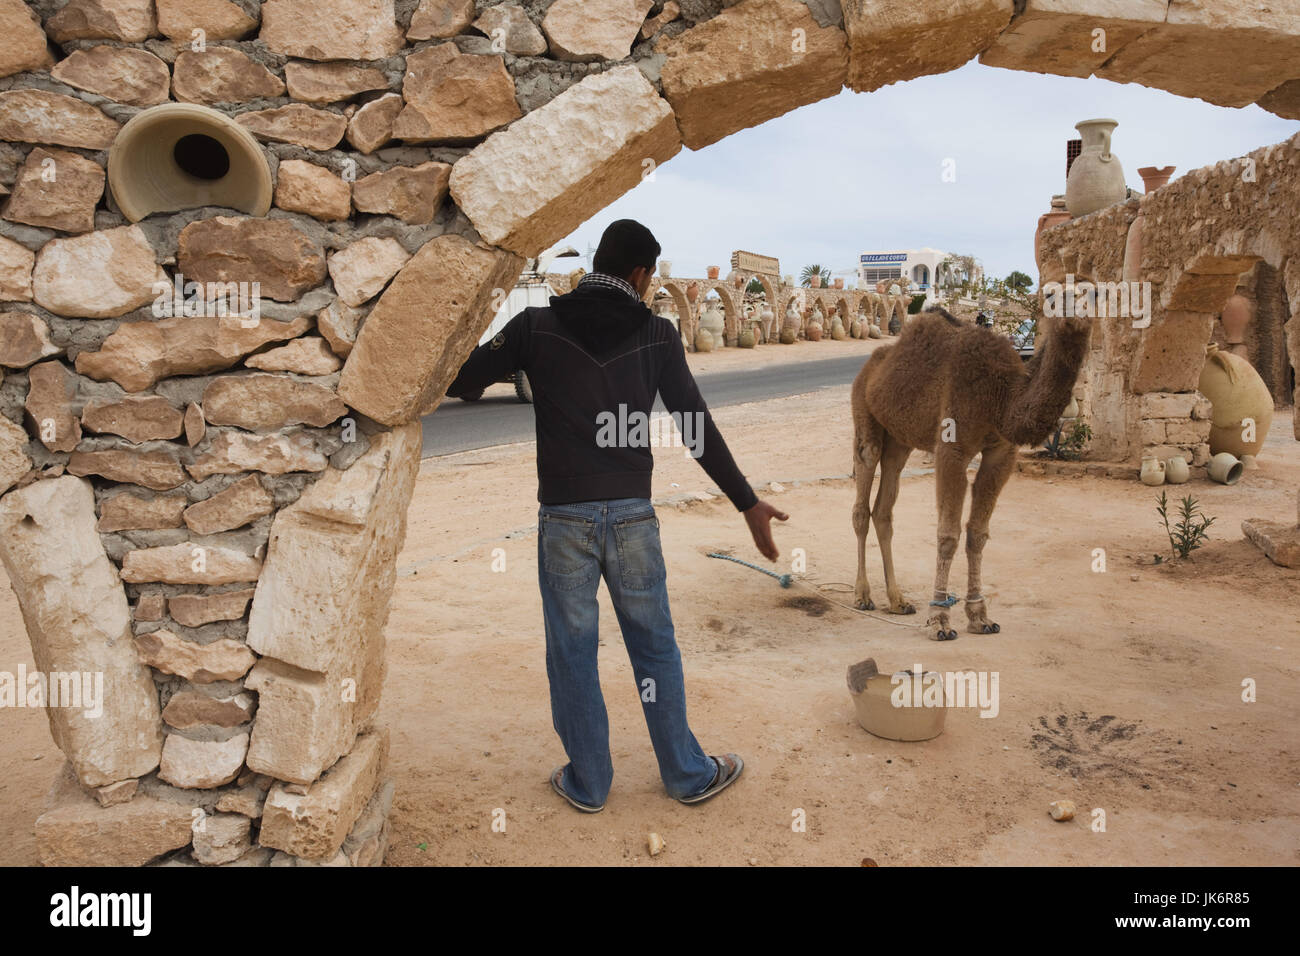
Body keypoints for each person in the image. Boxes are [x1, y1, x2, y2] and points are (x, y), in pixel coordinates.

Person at [446, 219, 788, 812]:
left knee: (572, 652)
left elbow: (464, 380)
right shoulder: (657, 335)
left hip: (562, 521)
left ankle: (589, 781)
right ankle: (686, 775)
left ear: (598, 264)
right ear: (639, 274)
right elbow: (695, 426)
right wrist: (746, 502)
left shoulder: (537, 325)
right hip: (633, 519)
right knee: (655, 647)